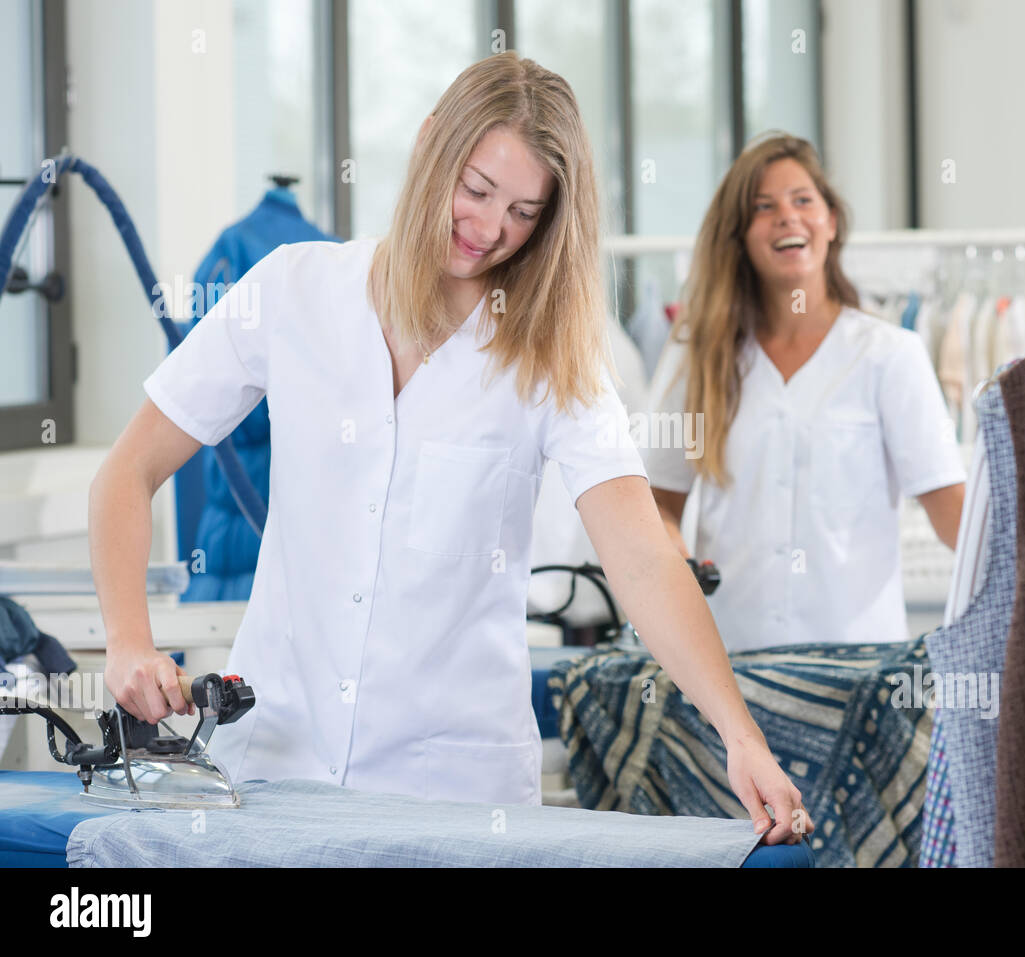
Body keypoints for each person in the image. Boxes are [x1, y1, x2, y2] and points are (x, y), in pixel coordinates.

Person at [88, 53, 808, 844]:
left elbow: (639, 555)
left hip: (458, 798)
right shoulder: (293, 290)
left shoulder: (552, 355)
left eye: (526, 211)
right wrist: (128, 640)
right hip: (275, 774)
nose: (492, 228)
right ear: (431, 142)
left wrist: (740, 735)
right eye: (477, 189)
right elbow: (129, 470)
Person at [644, 133, 966, 653]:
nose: (787, 217)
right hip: (727, 668)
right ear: (740, 235)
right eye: (763, 207)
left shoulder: (890, 354)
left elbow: (952, 510)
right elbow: (657, 501)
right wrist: (677, 563)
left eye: (802, 201)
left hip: (860, 673)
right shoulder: (695, 356)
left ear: (831, 221)